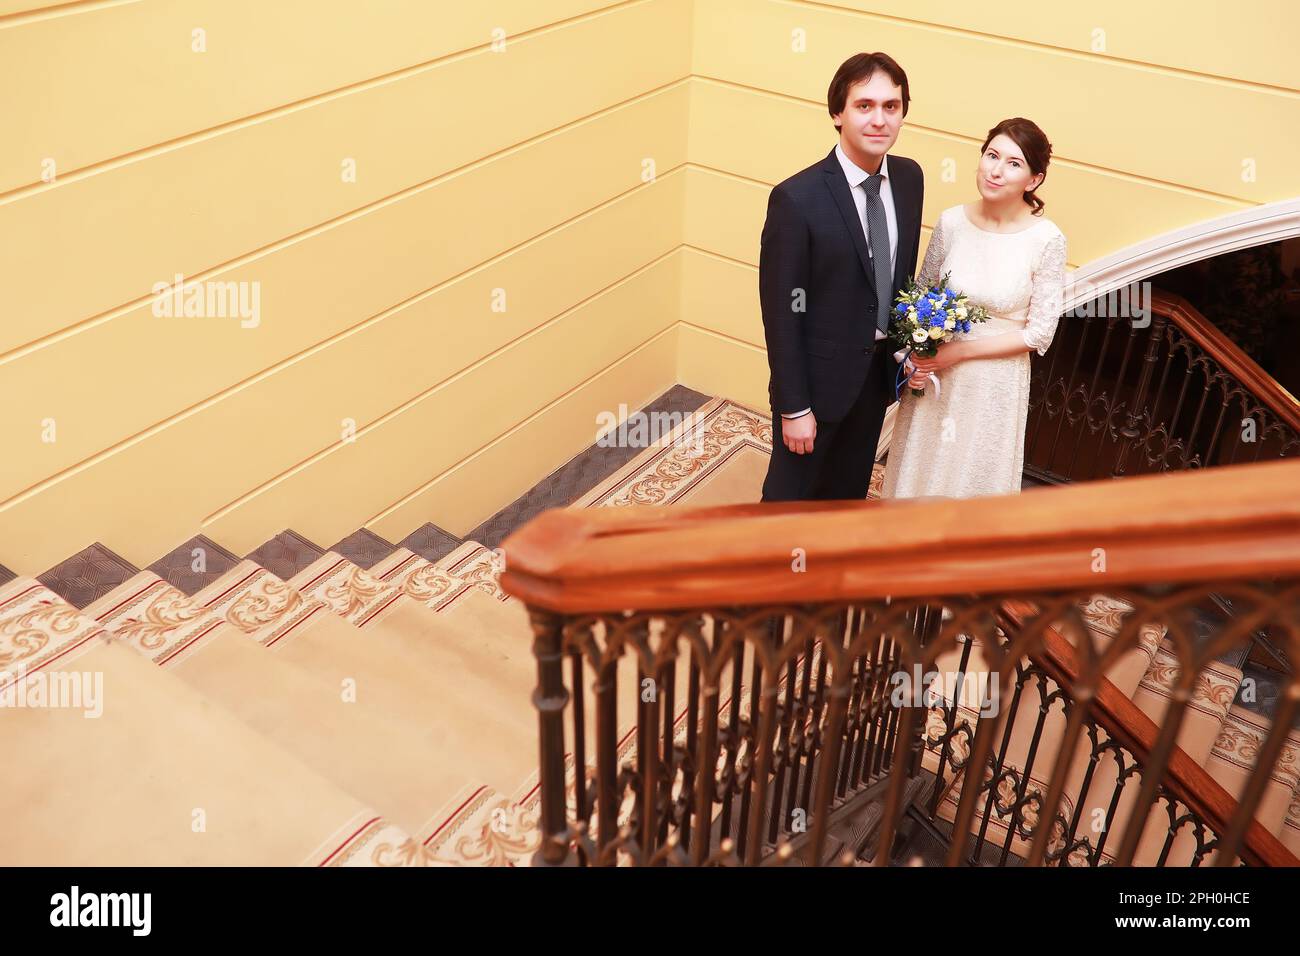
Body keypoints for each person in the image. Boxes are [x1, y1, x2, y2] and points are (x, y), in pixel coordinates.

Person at [759, 52, 924, 501]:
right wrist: (794, 406)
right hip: (816, 384)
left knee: (845, 499)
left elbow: (898, 275)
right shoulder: (796, 200)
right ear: (838, 112)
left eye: (891, 106)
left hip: (872, 383)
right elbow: (782, 313)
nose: (879, 120)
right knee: (786, 504)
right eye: (864, 105)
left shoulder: (910, 179)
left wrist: (904, 350)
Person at [882, 118, 1067, 499]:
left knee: (968, 480)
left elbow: (1038, 332)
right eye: (992, 155)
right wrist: (917, 358)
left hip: (993, 383)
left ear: (1034, 180)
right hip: (936, 376)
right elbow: (919, 296)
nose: (996, 170)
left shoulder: (1047, 240)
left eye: (1013, 163)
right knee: (920, 469)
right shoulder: (951, 222)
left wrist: (958, 352)